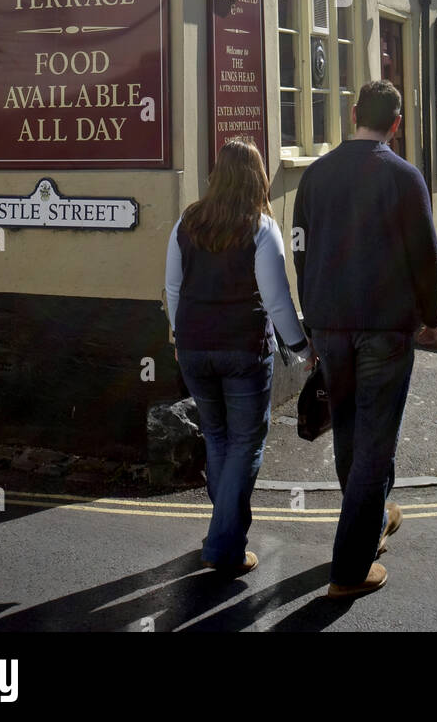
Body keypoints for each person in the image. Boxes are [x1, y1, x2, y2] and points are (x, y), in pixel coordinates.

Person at [292, 80, 437, 598]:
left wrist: (310, 318)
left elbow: (301, 251)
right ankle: (350, 569)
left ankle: (373, 519)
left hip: (330, 326)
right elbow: (424, 252)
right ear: (396, 124)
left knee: (352, 436)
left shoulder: (314, 176)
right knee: (375, 444)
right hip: (384, 328)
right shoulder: (404, 178)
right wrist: (432, 314)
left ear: (353, 113)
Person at [166, 139, 311, 574]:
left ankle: (222, 531)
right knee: (245, 442)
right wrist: (302, 347)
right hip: (243, 350)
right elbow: (277, 300)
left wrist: (181, 335)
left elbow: (173, 288)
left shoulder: (187, 222)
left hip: (193, 347)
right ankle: (224, 546)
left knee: (217, 437)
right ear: (257, 178)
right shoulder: (260, 227)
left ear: (217, 175)